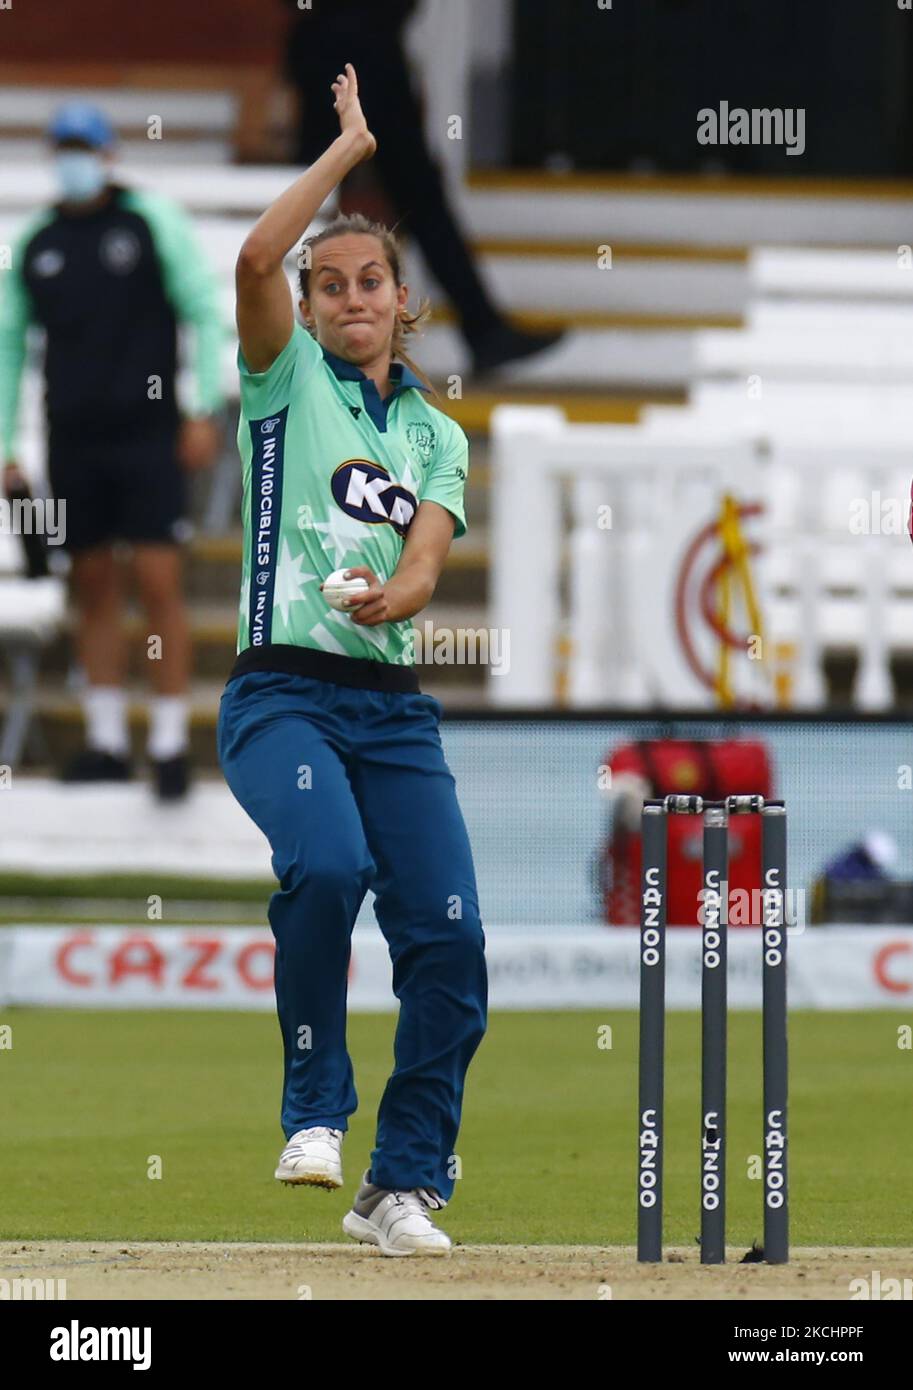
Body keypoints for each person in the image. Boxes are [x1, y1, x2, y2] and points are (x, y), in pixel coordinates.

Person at [217, 64, 487, 1255]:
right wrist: (342, 158)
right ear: (314, 305)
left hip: (391, 707)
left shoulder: (435, 431)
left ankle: (401, 1184)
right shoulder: (281, 382)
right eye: (328, 285)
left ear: (399, 297)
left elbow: (428, 561)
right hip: (279, 695)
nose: (346, 299)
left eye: (367, 280)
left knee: (450, 938)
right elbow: (248, 264)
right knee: (325, 867)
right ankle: (315, 1115)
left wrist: (395, 599)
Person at [0, 101, 225, 799]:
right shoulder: (36, 243)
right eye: (61, 146)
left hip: (148, 435)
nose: (72, 159)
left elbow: (204, 315)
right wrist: (7, 444)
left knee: (158, 583)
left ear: (106, 153)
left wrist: (202, 407)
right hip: (72, 439)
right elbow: (9, 348)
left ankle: (165, 740)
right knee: (91, 584)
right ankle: (104, 740)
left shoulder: (150, 223)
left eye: (82, 146)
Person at [281, 0, 564, 376]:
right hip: (355, 49)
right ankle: (483, 329)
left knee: (333, 195)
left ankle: (483, 329)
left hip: (353, 46)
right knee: (339, 195)